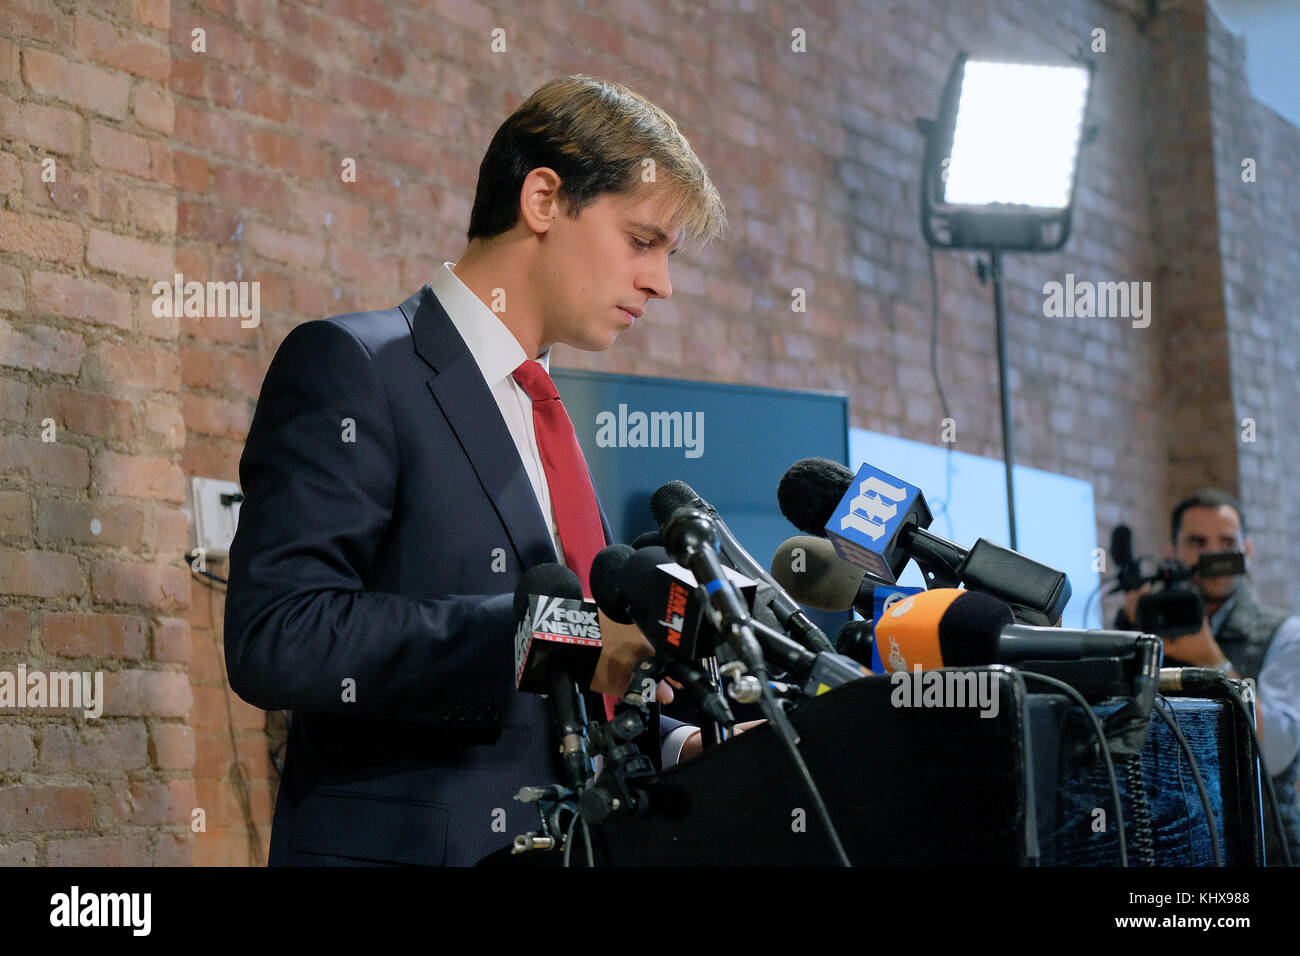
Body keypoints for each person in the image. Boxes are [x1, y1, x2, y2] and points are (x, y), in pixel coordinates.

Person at [223, 75, 726, 866]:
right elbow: (279, 637)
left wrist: (681, 742)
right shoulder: (354, 367)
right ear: (543, 200)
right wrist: (564, 635)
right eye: (642, 240)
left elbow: (568, 678)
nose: (661, 282)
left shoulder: (544, 407)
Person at [1119, 489, 1300, 863]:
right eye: (1197, 542)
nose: (1212, 554)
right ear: (1173, 552)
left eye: (1227, 542)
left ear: (1246, 553)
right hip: (1173, 847)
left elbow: (1279, 751)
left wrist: (1209, 659)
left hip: (1267, 849)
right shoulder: (1151, 627)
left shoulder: (1286, 633)